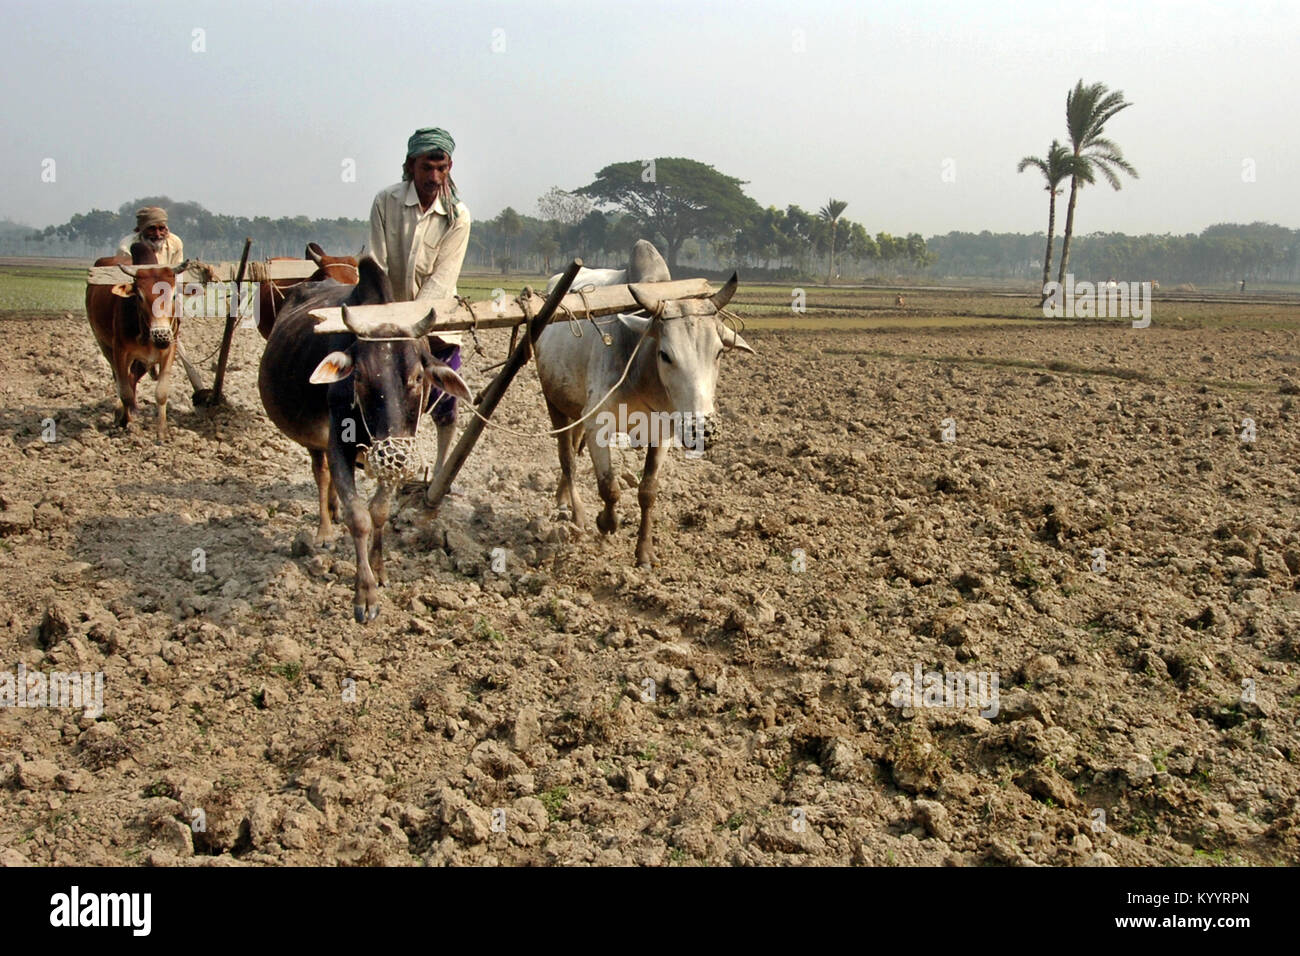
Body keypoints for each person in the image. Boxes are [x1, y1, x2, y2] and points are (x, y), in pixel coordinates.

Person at [367, 127, 471, 477]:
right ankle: (373, 453)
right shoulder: (386, 202)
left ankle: (441, 469)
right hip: (387, 317)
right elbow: (376, 263)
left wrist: (414, 327)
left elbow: (442, 278)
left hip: (435, 321)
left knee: (445, 397)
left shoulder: (458, 217)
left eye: (442, 168)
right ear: (411, 165)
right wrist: (392, 323)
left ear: (450, 167)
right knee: (373, 389)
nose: (435, 176)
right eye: (427, 167)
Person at [116, 206, 183, 265]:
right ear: (141, 229)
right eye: (152, 229)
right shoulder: (126, 246)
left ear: (166, 228)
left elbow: (179, 273)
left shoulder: (175, 242)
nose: (157, 234)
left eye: (161, 228)